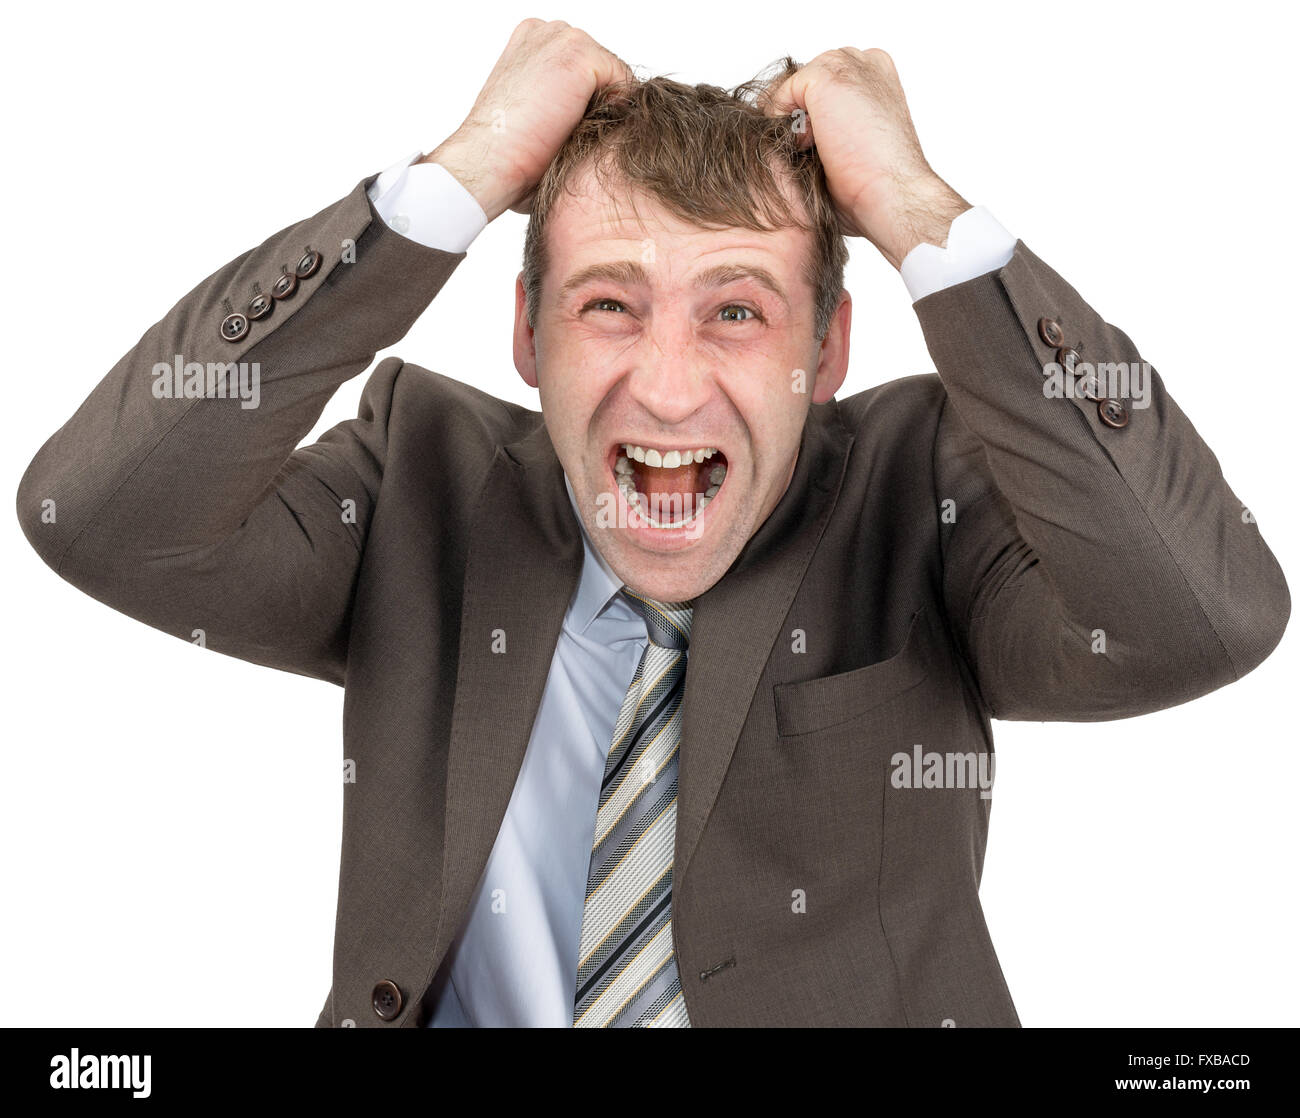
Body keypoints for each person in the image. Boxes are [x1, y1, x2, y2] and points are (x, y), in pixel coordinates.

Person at [16, 19, 1289, 1027]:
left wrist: (912, 204)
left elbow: (1205, 615)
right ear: (525, 334)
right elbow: (105, 517)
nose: (669, 386)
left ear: (828, 346)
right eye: (608, 305)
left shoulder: (922, 492)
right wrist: (454, 181)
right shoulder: (422, 479)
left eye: (736, 311)